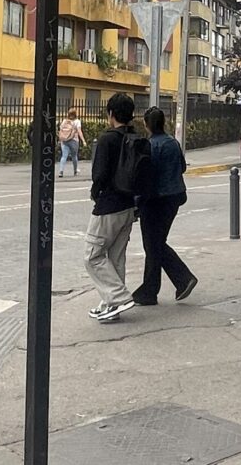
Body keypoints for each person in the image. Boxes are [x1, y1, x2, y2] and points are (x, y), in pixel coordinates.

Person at [85, 93, 143, 323]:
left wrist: (95, 193)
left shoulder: (107, 139)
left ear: (111, 113)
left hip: (108, 205)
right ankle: (111, 306)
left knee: (92, 256)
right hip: (129, 205)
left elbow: (99, 175)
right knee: (116, 257)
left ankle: (118, 297)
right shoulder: (136, 138)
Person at [132, 106, 198, 306]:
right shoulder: (173, 143)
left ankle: (181, 278)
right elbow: (182, 167)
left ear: (146, 124)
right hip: (174, 197)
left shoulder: (151, 145)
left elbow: (146, 176)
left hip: (156, 200)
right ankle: (151, 290)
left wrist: (137, 204)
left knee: (154, 244)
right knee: (156, 243)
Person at [57, 109, 84, 177]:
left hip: (64, 140)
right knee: (74, 156)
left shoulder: (65, 121)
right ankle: (75, 171)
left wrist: (60, 139)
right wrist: (83, 140)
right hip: (73, 140)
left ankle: (61, 171)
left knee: (64, 156)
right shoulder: (77, 121)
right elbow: (79, 131)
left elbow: (60, 130)